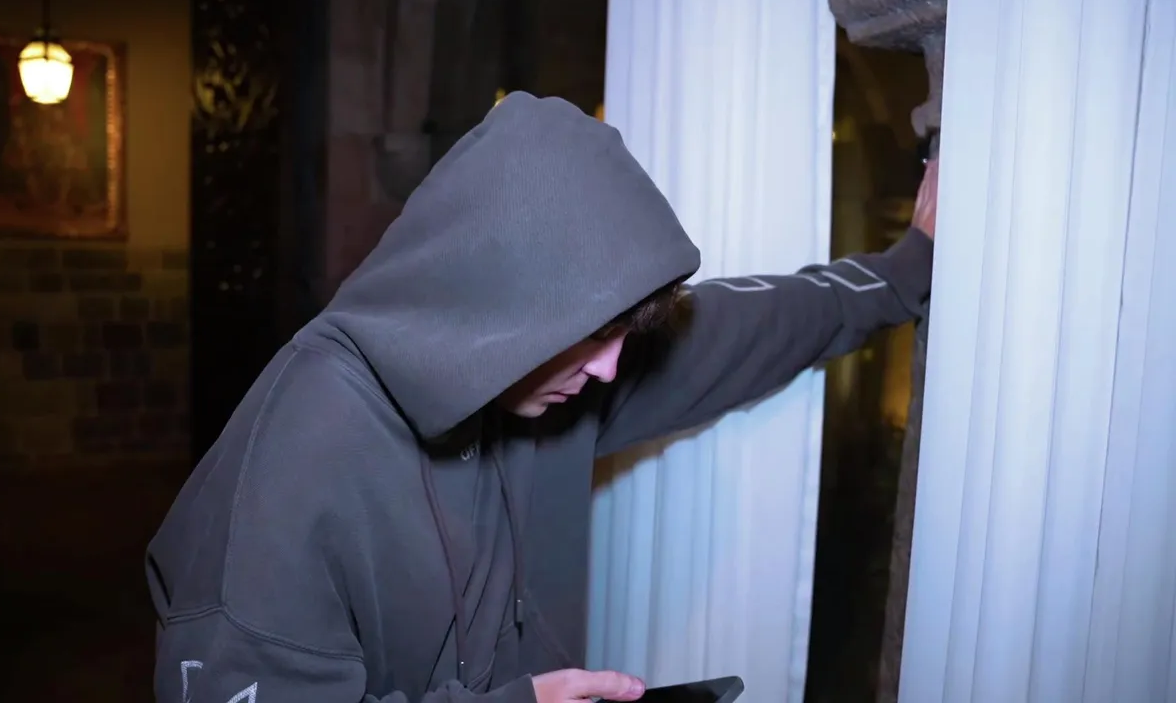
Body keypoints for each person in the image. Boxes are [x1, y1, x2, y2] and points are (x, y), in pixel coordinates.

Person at [147, 92, 939, 703]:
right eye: (598, 334)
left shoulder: (543, 378)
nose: (610, 369)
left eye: (624, 334)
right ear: (506, 301)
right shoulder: (290, 466)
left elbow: (749, 328)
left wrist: (907, 268)